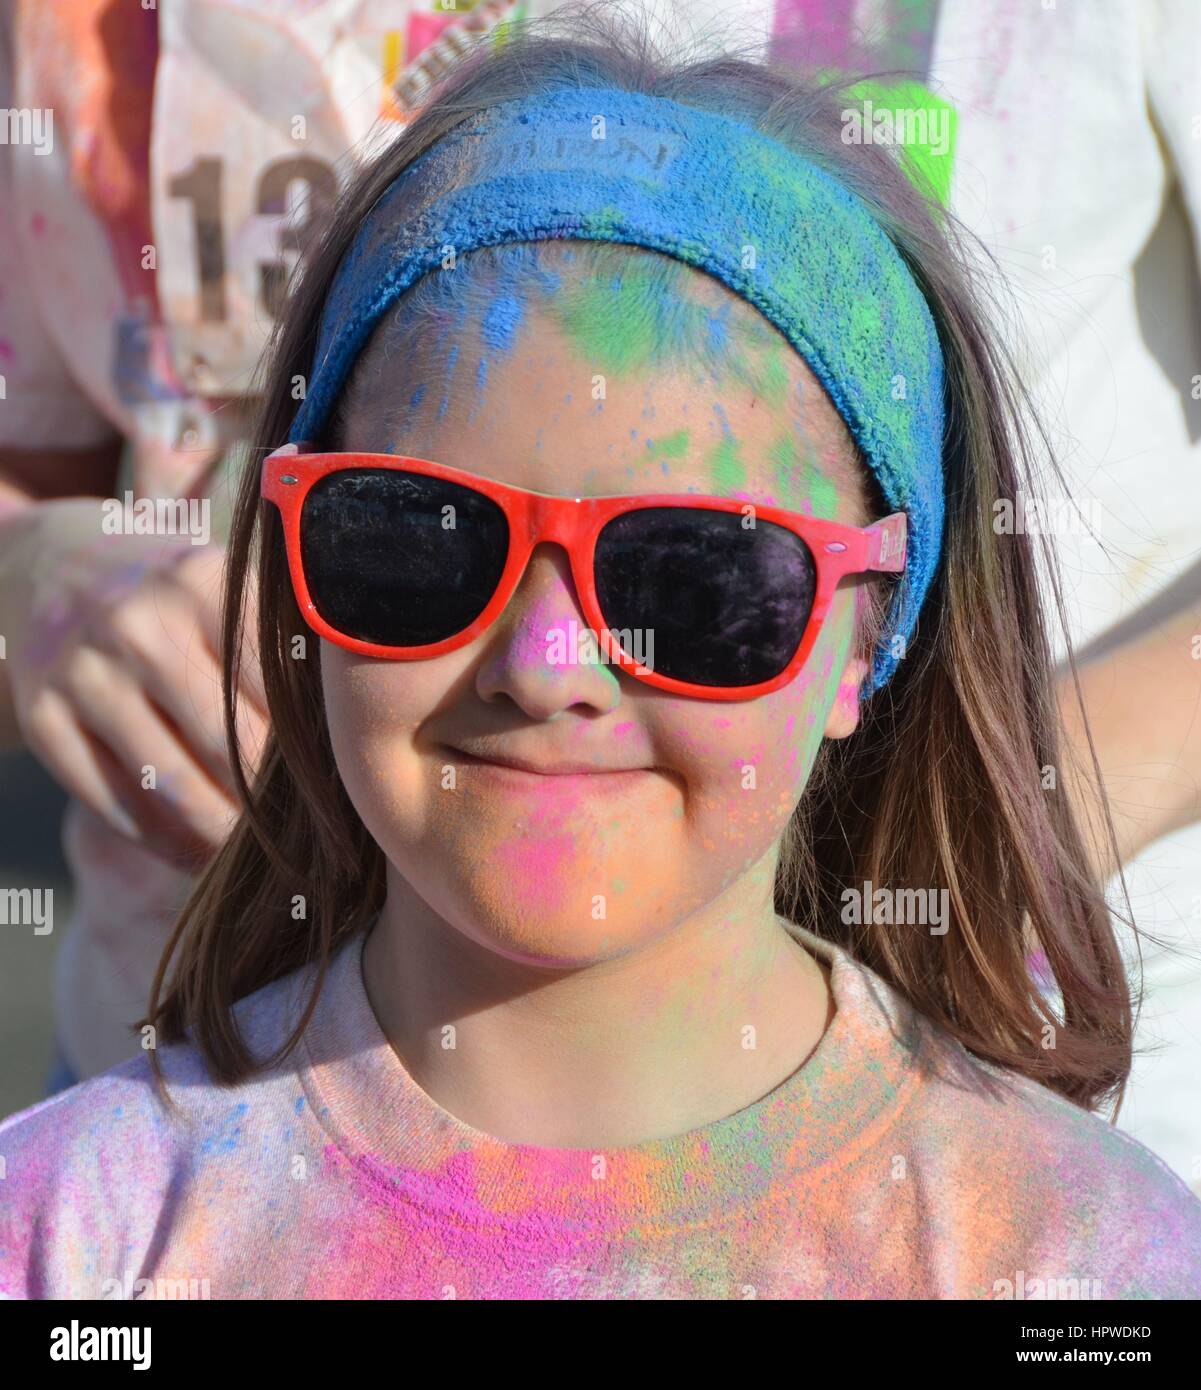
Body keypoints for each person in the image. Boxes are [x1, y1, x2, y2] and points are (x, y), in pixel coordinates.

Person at [2, 7, 1199, 1299]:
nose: (545, 661)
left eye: (696, 575)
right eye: (418, 536)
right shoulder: (75, 1229)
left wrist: (1008, 833)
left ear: (867, 631)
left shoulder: (1073, 1258)